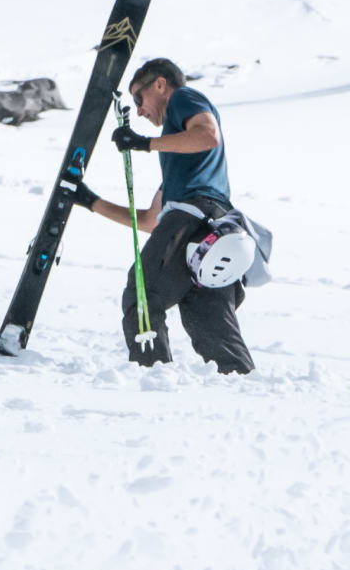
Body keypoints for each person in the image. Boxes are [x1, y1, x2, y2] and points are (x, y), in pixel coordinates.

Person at [69, 58, 257, 373]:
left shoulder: (183, 97)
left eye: (138, 99)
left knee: (143, 296)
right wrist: (90, 201)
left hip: (193, 217)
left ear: (160, 84)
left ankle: (152, 378)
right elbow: (150, 221)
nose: (140, 110)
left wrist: (144, 143)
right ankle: (242, 386)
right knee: (209, 323)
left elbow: (207, 135)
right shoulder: (181, 167)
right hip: (213, 231)